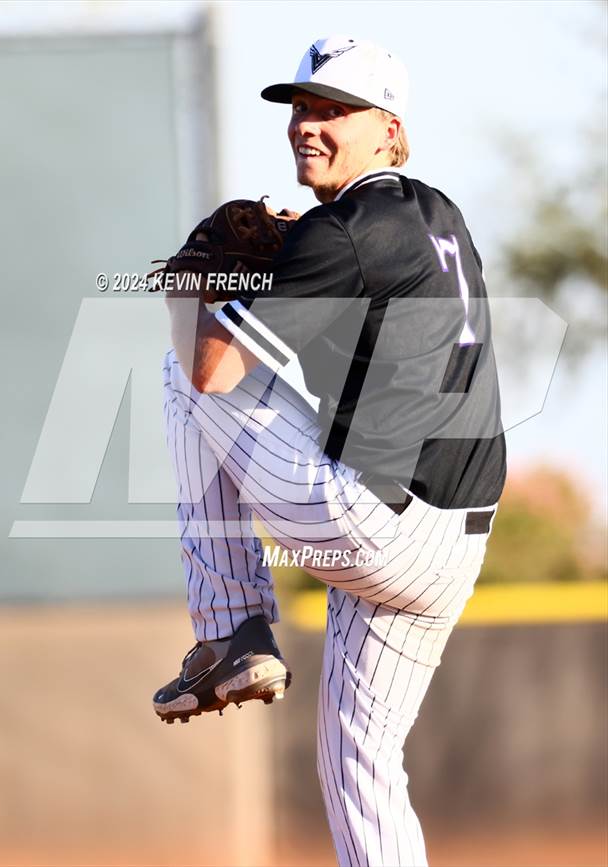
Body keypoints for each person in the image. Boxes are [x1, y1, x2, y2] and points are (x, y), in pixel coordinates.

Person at [154, 35, 506, 867]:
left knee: (178, 369)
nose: (309, 124)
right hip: (454, 543)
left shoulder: (343, 230)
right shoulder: (438, 215)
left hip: (373, 524)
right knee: (361, 763)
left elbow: (212, 372)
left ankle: (230, 628)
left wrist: (193, 285)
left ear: (390, 129)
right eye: (303, 107)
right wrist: (279, 270)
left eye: (336, 111)